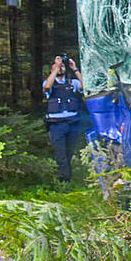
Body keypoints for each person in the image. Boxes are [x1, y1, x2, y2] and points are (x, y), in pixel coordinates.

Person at [43, 54, 84, 182]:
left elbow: (85, 86)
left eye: (62, 66)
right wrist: (55, 68)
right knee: (60, 152)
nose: (61, 68)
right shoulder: (49, 82)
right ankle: (64, 179)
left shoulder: (73, 83)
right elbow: (47, 87)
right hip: (56, 124)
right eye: (57, 66)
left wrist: (75, 69)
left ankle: (67, 177)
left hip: (72, 122)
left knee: (69, 151)